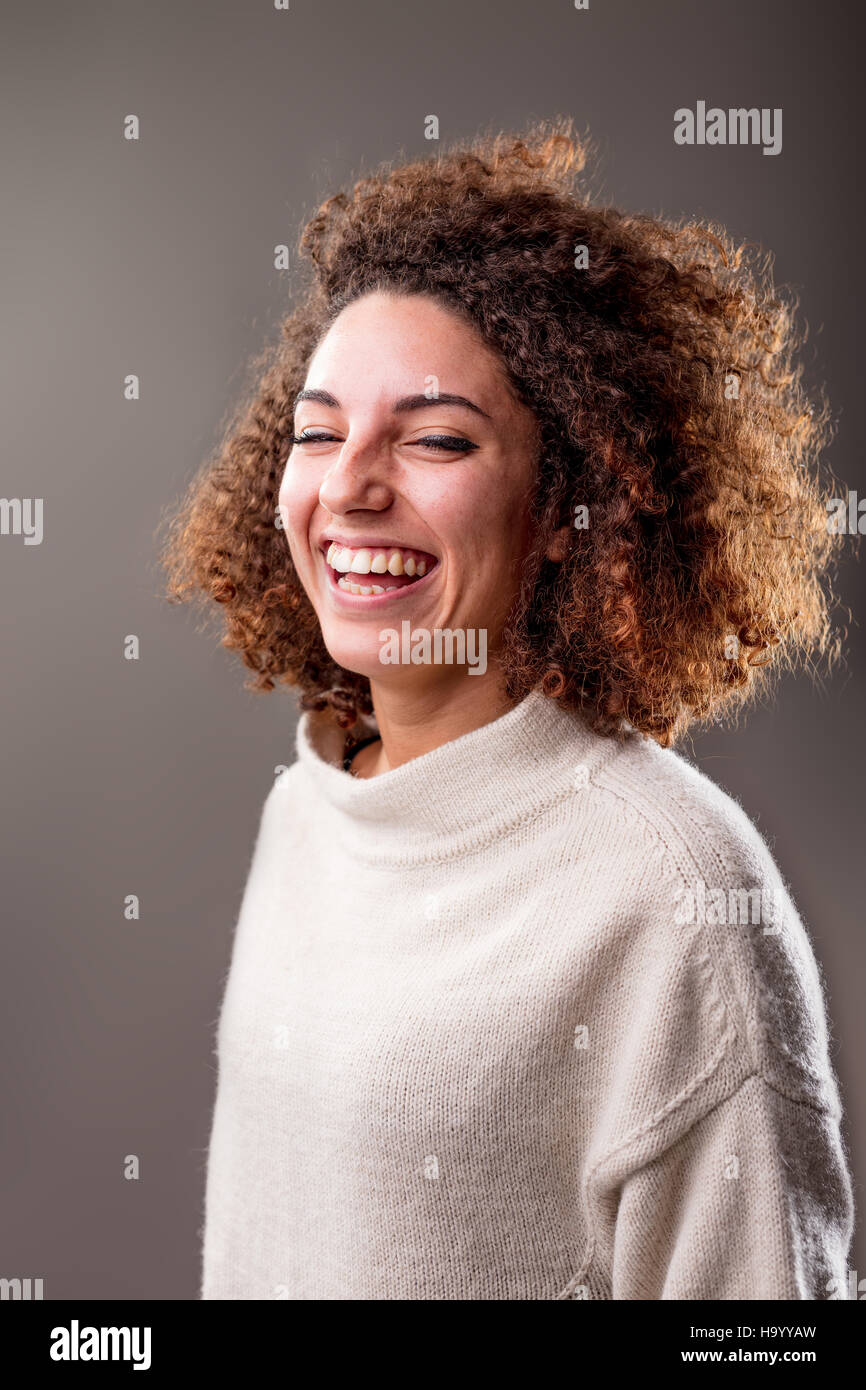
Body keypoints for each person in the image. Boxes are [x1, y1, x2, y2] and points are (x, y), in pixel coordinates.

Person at [161, 119, 854, 1299]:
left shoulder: (670, 890)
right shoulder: (314, 806)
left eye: (434, 437)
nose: (349, 486)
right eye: (317, 432)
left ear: (563, 502)